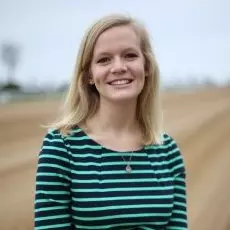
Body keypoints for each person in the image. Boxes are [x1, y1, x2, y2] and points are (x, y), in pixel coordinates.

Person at [34, 13, 188, 230]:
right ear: (89, 74)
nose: (118, 67)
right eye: (104, 59)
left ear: (147, 66)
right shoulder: (61, 147)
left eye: (130, 55)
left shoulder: (168, 152)